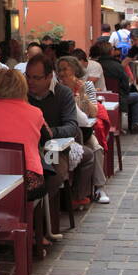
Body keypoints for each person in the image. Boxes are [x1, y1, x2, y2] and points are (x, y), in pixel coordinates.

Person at [24, 52, 98, 209]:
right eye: (28, 77)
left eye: (36, 78)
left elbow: (72, 126)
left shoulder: (62, 93)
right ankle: (35, 211)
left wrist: (51, 132)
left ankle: (44, 210)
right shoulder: (22, 93)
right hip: (28, 148)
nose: (30, 82)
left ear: (49, 77)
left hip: (54, 148)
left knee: (55, 171)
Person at [0, 68, 49, 200]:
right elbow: (47, 139)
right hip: (27, 178)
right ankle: (37, 219)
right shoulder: (35, 112)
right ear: (23, 87)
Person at [55, 55, 110, 204]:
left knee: (96, 148)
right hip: (65, 130)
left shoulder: (87, 86)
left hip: (84, 129)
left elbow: (92, 113)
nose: (61, 73)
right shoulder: (56, 88)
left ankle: (99, 188)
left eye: (65, 69)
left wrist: (81, 94)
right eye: (59, 69)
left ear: (74, 70)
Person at [94, 41, 138, 133]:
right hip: (117, 96)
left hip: (99, 95)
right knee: (137, 97)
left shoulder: (95, 65)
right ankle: (134, 124)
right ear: (111, 52)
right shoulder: (117, 66)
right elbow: (125, 84)